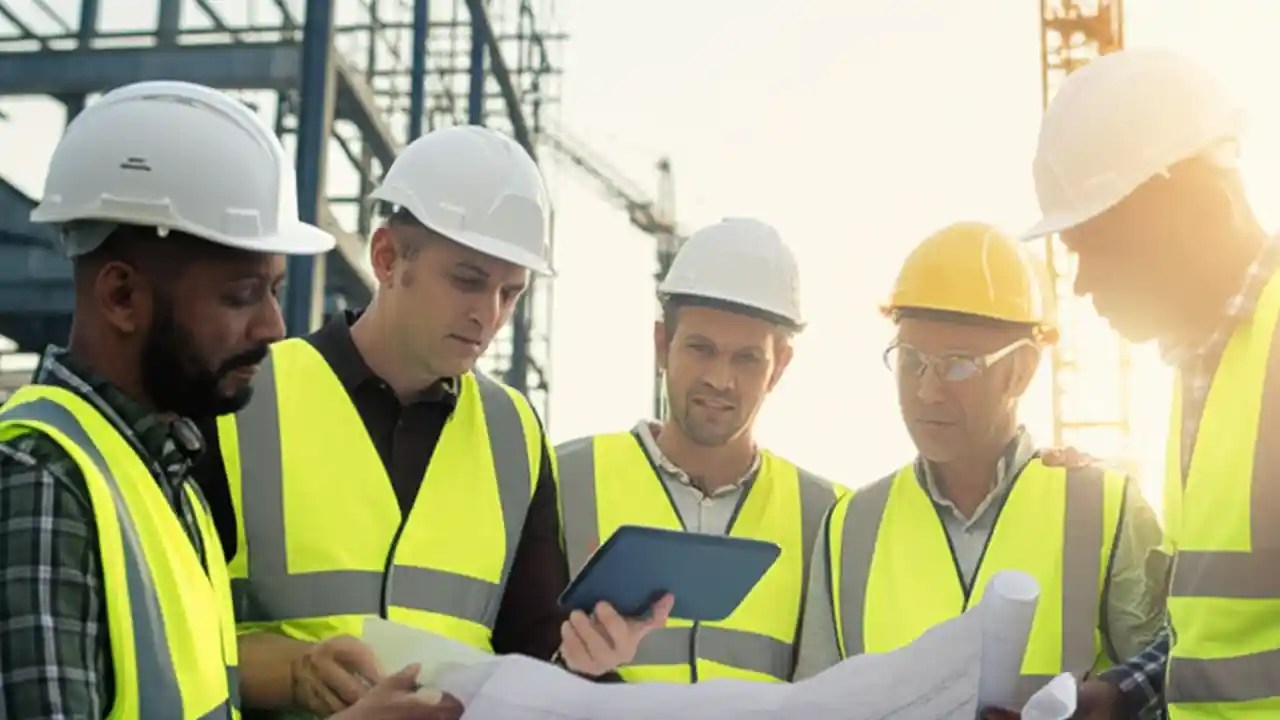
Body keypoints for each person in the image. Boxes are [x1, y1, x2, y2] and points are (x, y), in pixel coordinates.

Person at [0, 80, 449, 719]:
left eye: (274, 290)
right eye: (241, 296)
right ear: (121, 297)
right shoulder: (42, 483)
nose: (273, 327)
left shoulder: (168, 478)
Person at [192, 124, 664, 718]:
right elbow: (170, 630)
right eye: (467, 281)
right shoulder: (245, 397)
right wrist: (293, 671)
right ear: (387, 257)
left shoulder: (513, 432)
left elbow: (532, 643)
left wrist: (585, 659)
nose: (488, 315)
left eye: (509, 293)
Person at [792, 222, 1168, 711]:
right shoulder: (849, 525)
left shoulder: (1107, 510)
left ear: (1023, 369)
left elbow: (1163, 693)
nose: (927, 390)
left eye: (959, 364)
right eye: (910, 360)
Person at [1018, 47, 1280, 720]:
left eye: (1099, 246)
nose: (1083, 283)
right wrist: (1120, 695)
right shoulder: (1204, 373)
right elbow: (1217, 632)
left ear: (1205, 211)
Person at [554, 218, 846, 683]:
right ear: (661, 345)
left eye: (747, 358)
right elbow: (515, 657)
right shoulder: (562, 479)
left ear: (780, 366)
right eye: (701, 348)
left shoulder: (828, 516)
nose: (720, 379)